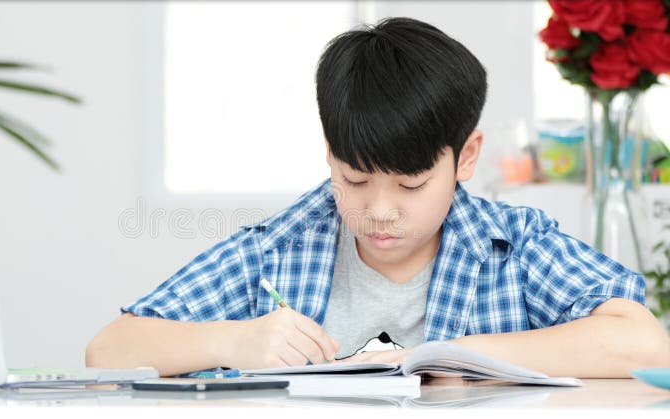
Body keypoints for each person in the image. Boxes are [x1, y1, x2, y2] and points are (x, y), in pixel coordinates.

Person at [86, 17, 670, 377]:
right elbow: (110, 349)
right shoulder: (284, 246)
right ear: (330, 155)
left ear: (465, 157)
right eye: (355, 180)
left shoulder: (512, 245)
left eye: (411, 185)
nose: (380, 210)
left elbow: (644, 344)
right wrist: (233, 339)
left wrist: (452, 354)